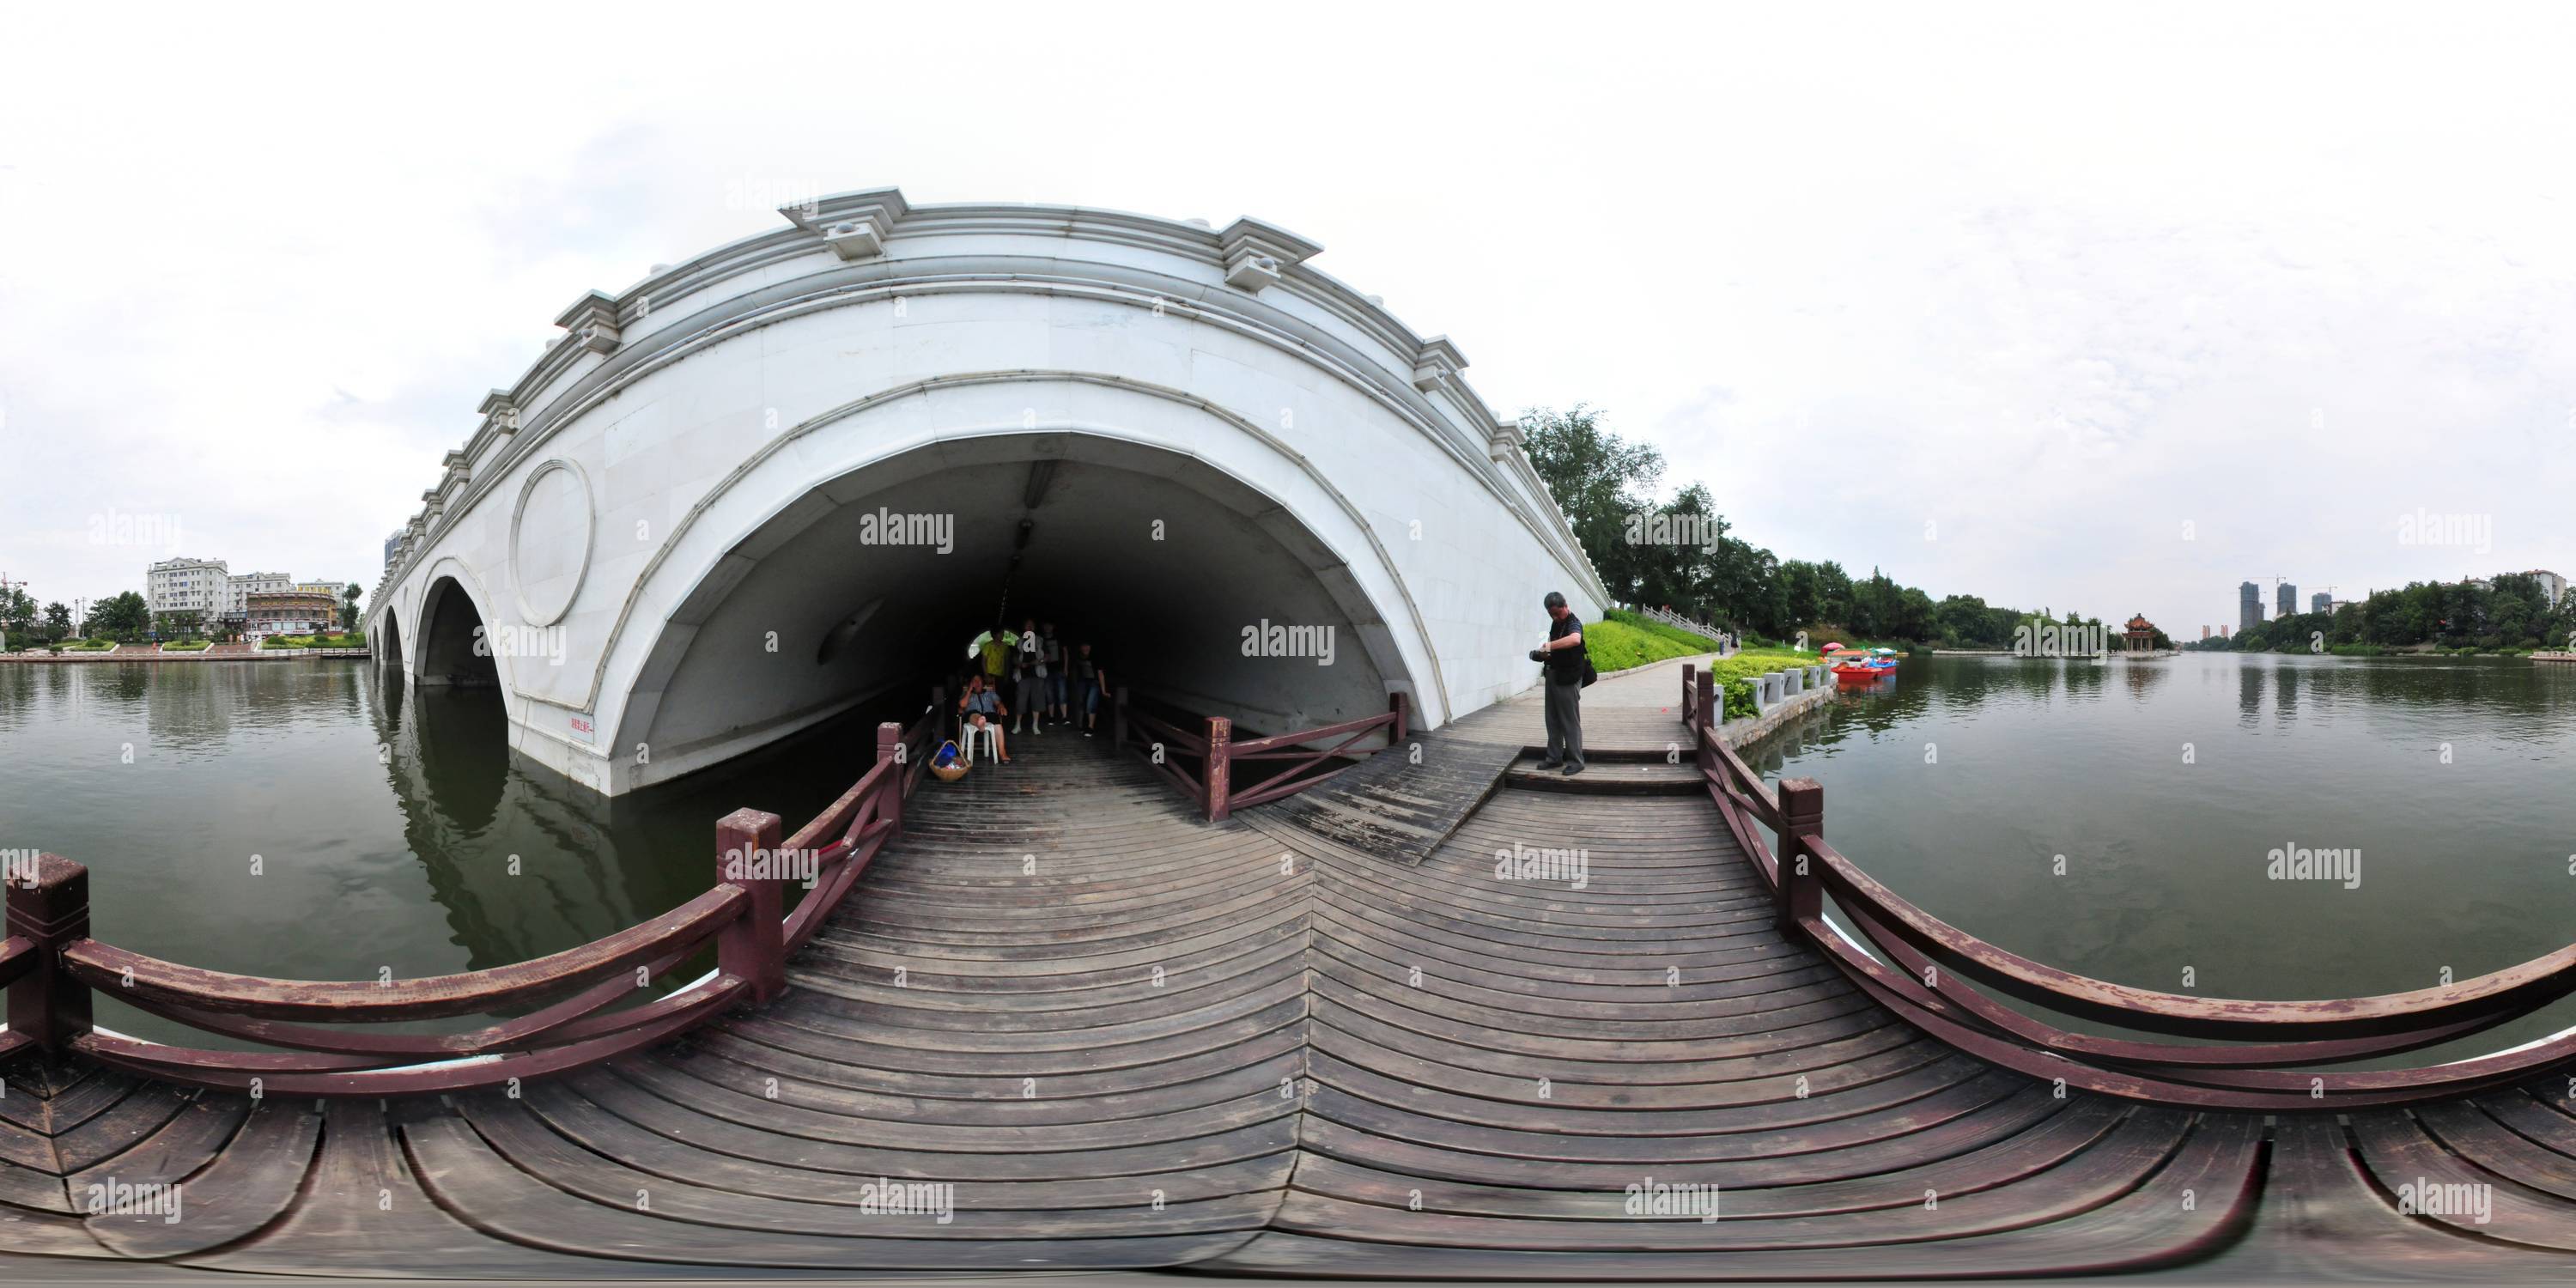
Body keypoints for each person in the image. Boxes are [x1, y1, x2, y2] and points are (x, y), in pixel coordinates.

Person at [1530, 591, 1585, 775]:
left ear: (1565, 606)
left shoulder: (1573, 622)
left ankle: (1576, 761)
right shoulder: (1556, 623)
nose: (1555, 616)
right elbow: (1554, 647)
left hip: (1569, 677)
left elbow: (1575, 639)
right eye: (1551, 613)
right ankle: (1554, 758)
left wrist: (1548, 647)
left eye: (1557, 612)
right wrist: (1543, 654)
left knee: (1569, 721)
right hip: (1553, 675)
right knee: (1552, 719)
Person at [958, 673, 1009, 762]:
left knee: (995, 718)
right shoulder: (966, 694)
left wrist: (1001, 706)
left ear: (983, 683)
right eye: (974, 681)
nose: (977, 682)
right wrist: (969, 690)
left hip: (989, 713)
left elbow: (998, 702)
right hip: (972, 714)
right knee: (975, 714)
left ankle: (1002, 752)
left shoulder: (990, 693)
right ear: (971, 683)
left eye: (979, 680)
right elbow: (962, 705)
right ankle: (980, 723)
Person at [1011, 641, 1046, 737]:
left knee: (1037, 700)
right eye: (1027, 625)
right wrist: (1020, 664)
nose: (1029, 627)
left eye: (1031, 625)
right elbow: (1014, 659)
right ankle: (1018, 725)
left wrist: (1039, 661)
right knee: (1020, 700)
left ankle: (1035, 725)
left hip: (1037, 675)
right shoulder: (1019, 642)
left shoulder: (1040, 641)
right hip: (1022, 676)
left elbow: (1048, 656)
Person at [1072, 641, 1104, 736]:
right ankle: (1080, 725)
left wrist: (1103, 690)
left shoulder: (1096, 657)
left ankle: (1091, 727)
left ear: (1090, 647)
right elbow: (1075, 670)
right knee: (1080, 702)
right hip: (1083, 681)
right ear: (1080, 647)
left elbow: (1100, 674)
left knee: (1091, 702)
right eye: (1083, 646)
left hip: (1094, 681)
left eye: (1087, 646)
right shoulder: (1078, 657)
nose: (1085, 648)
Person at [1041, 622, 1068, 725]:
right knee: (1049, 694)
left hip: (1059, 669)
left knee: (1062, 693)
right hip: (1046, 670)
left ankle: (1064, 717)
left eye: (1050, 625)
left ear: (1053, 626)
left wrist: (1066, 668)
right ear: (1043, 627)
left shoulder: (1059, 638)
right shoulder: (1041, 639)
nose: (1048, 627)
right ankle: (1051, 717)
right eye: (1046, 625)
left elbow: (1065, 652)